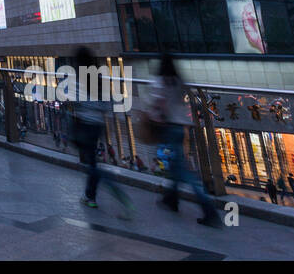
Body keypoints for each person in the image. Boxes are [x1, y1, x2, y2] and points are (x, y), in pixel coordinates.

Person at [147, 54, 221, 227]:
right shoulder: (178, 80)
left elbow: (159, 104)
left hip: (169, 126)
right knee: (176, 166)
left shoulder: (160, 82)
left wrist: (154, 117)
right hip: (182, 126)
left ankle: (209, 210)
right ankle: (171, 200)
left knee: (185, 172)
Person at [69, 47, 132, 216]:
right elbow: (108, 105)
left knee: (92, 165)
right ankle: (90, 197)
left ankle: (110, 185)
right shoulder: (100, 81)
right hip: (97, 125)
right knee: (92, 163)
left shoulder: (77, 80)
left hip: (83, 125)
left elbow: (74, 102)